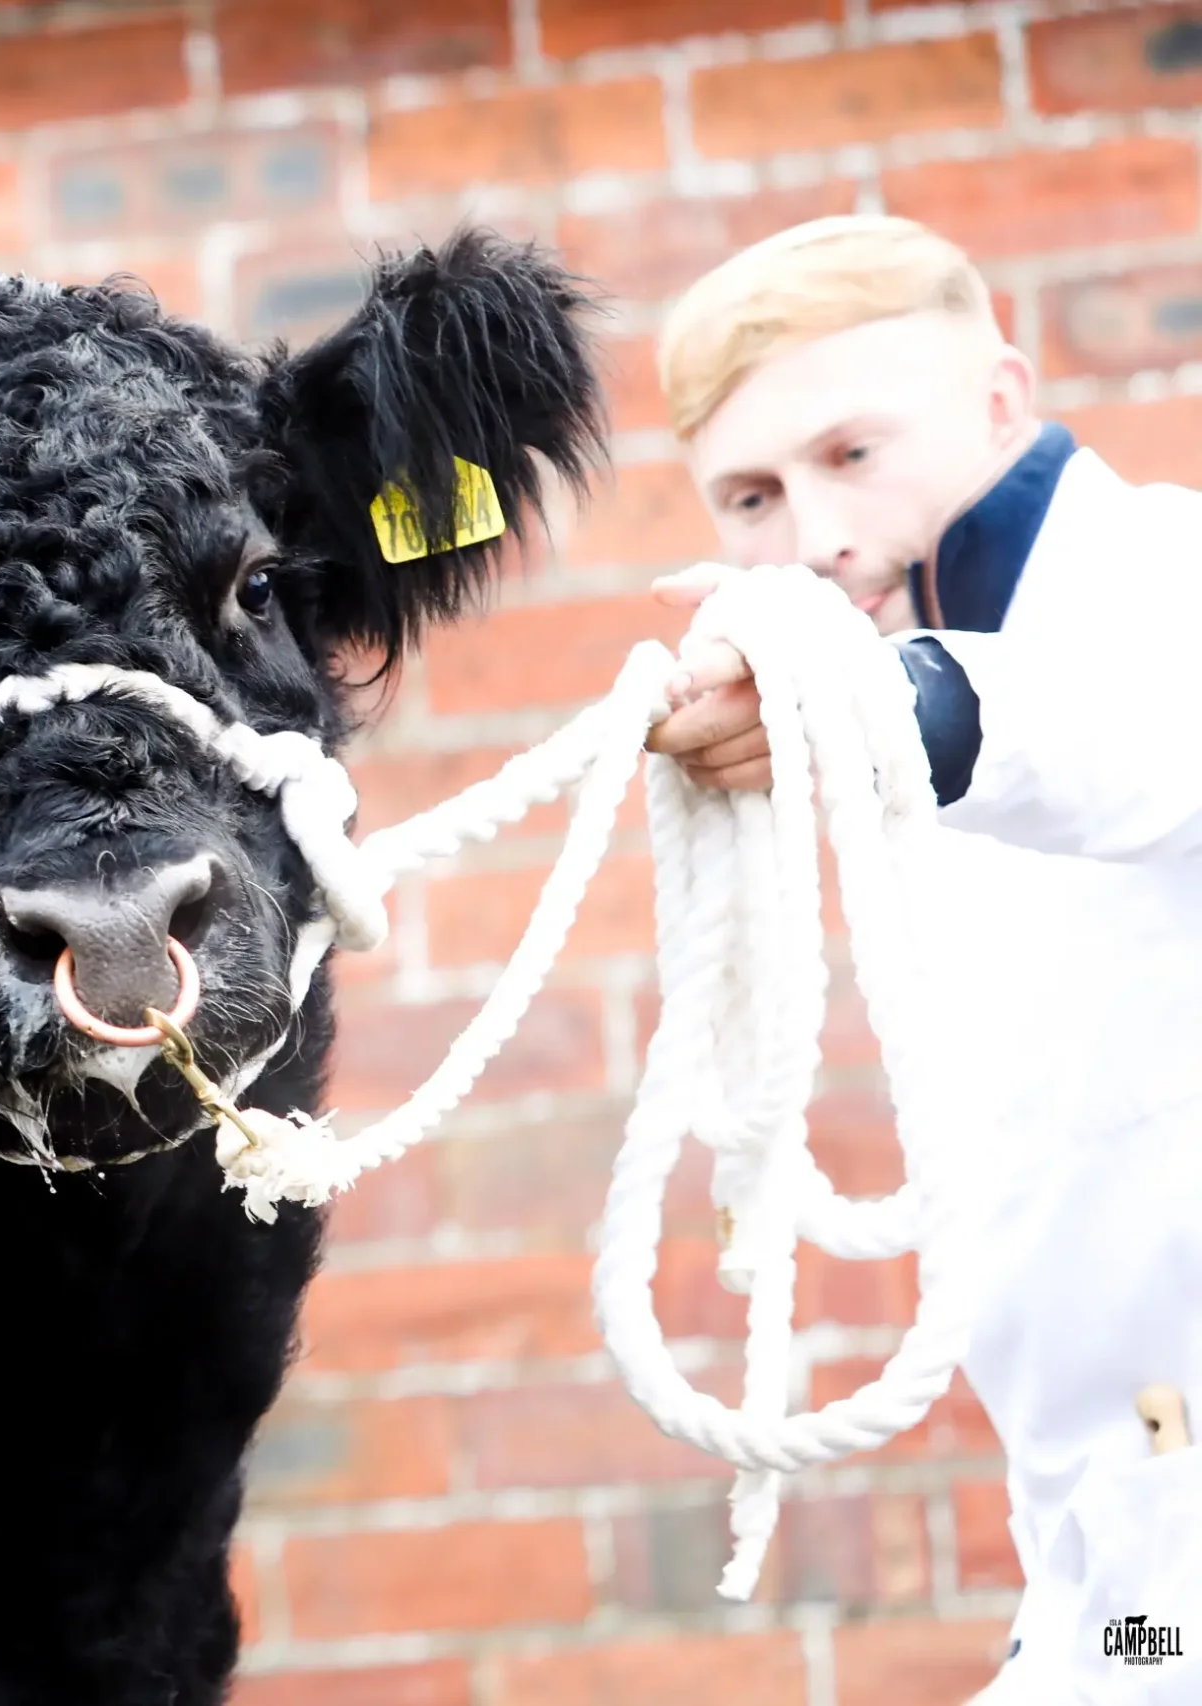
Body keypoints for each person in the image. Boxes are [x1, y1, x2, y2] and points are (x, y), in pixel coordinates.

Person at [641, 214, 1202, 1703]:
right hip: (1113, 1565)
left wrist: (905, 702)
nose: (809, 532)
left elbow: (1126, 728)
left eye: (852, 454)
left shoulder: (1158, 583)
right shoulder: (907, 714)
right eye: (749, 493)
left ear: (1004, 400)